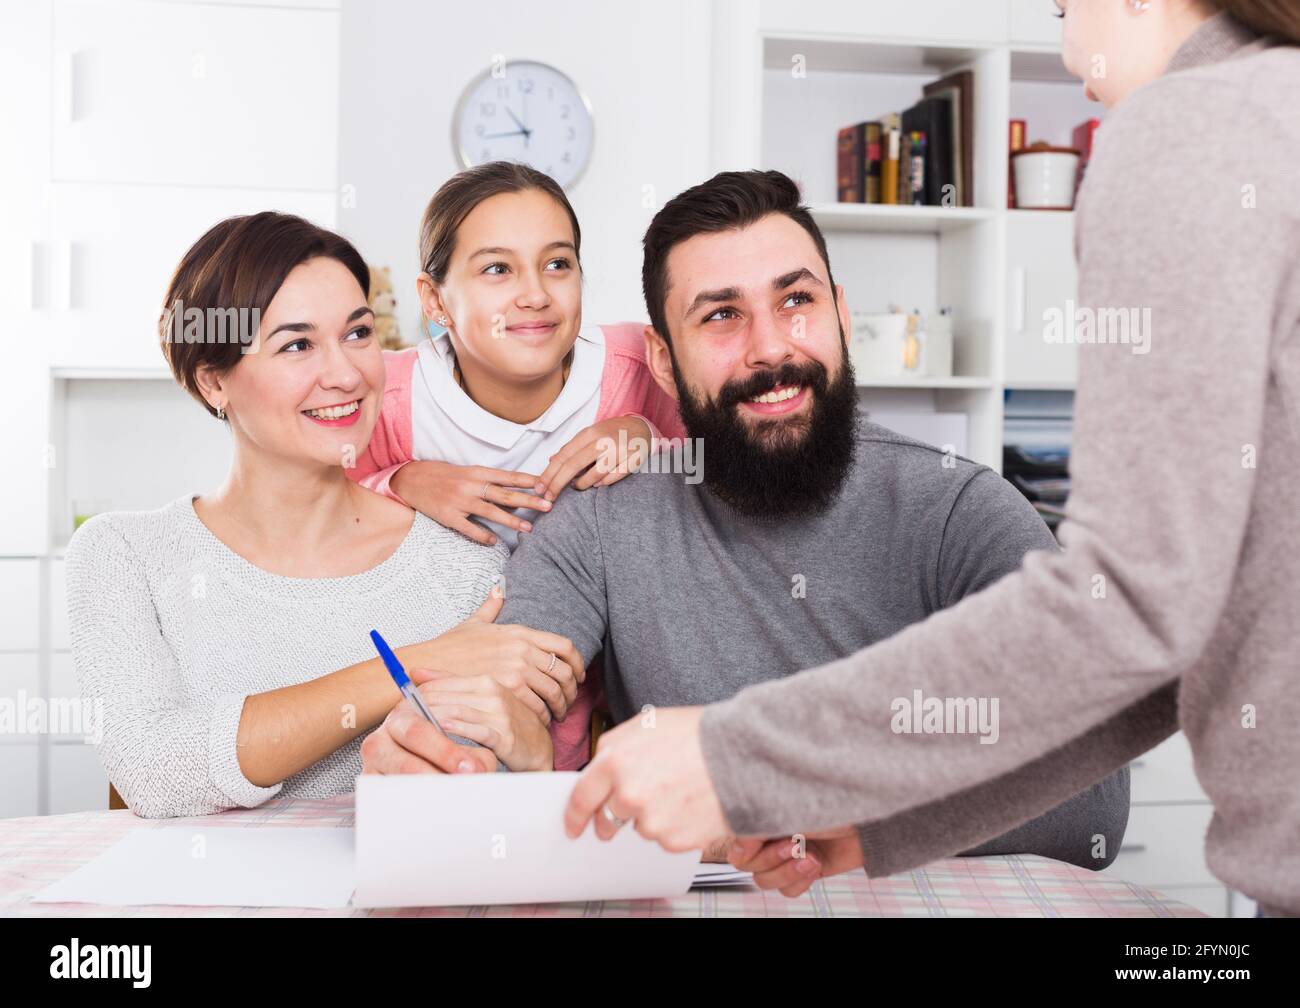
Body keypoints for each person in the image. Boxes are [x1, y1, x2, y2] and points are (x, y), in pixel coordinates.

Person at [563, 2, 1300, 917]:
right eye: (720, 315)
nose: (1069, 50)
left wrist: (735, 756)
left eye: (1066, 8)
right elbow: (1167, 644)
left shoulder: (1194, 129)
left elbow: (1132, 609)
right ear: (663, 358)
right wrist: (876, 828)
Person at [361, 170, 1131, 870]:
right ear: (662, 362)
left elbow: (1091, 798)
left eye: (797, 301)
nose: (771, 349)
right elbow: (514, 704)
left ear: (840, 313)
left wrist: (759, 789)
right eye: (722, 315)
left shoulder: (960, 511)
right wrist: (469, 753)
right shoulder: (598, 519)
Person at [65, 213, 575, 817]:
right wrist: (416, 664)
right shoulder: (124, 555)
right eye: (297, 345)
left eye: (358, 334)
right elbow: (155, 772)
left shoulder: (465, 564)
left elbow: (490, 797)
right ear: (213, 383)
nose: (345, 374)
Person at [347, 161, 686, 769]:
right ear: (435, 300)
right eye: (497, 269)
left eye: (558, 263)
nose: (535, 294)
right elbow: (320, 507)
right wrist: (400, 481)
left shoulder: (636, 367)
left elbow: (729, 498)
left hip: (604, 722)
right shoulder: (393, 397)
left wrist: (648, 436)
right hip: (427, 713)